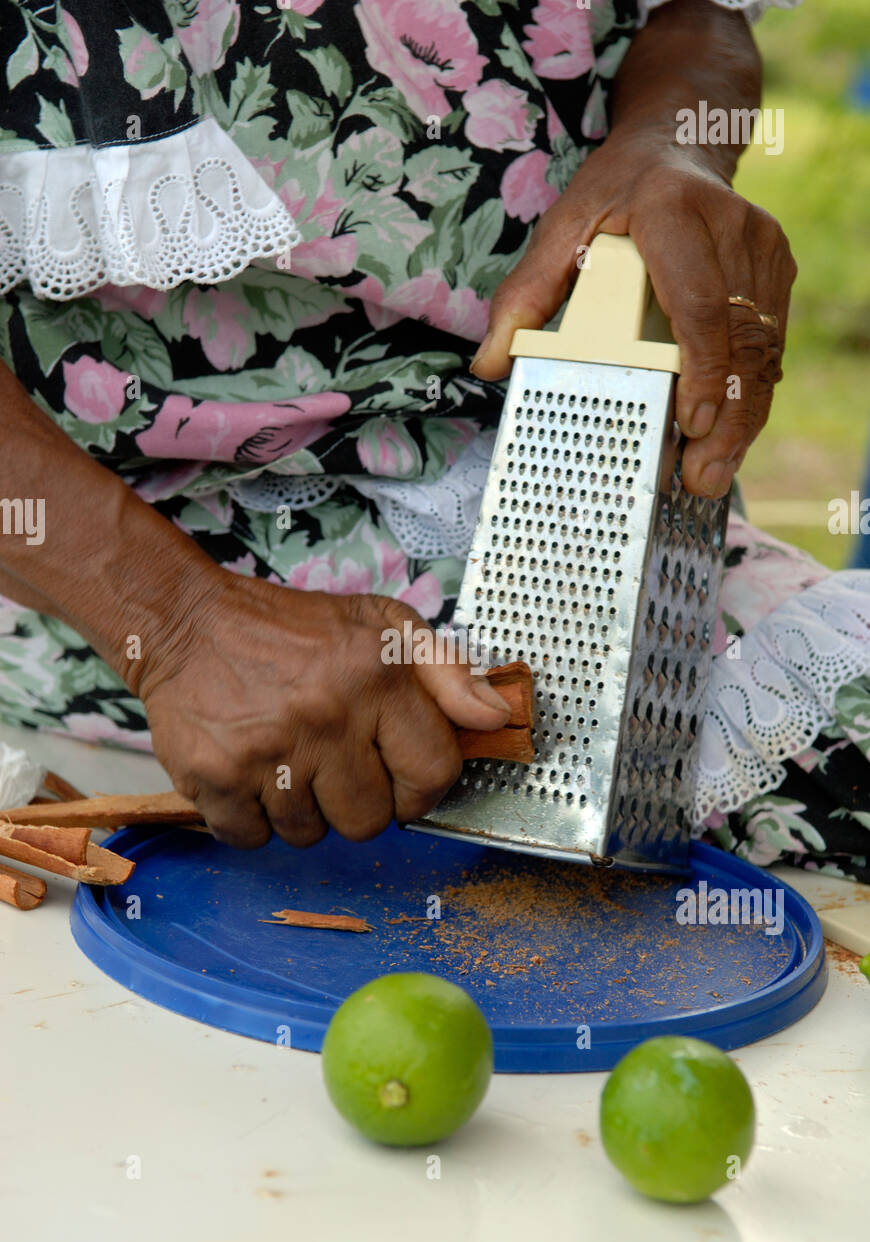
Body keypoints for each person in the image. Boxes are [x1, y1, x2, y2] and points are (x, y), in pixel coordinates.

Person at [2, 0, 870, 879]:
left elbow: (694, 13)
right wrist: (177, 627)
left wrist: (675, 143)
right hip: (121, 578)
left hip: (575, 528)